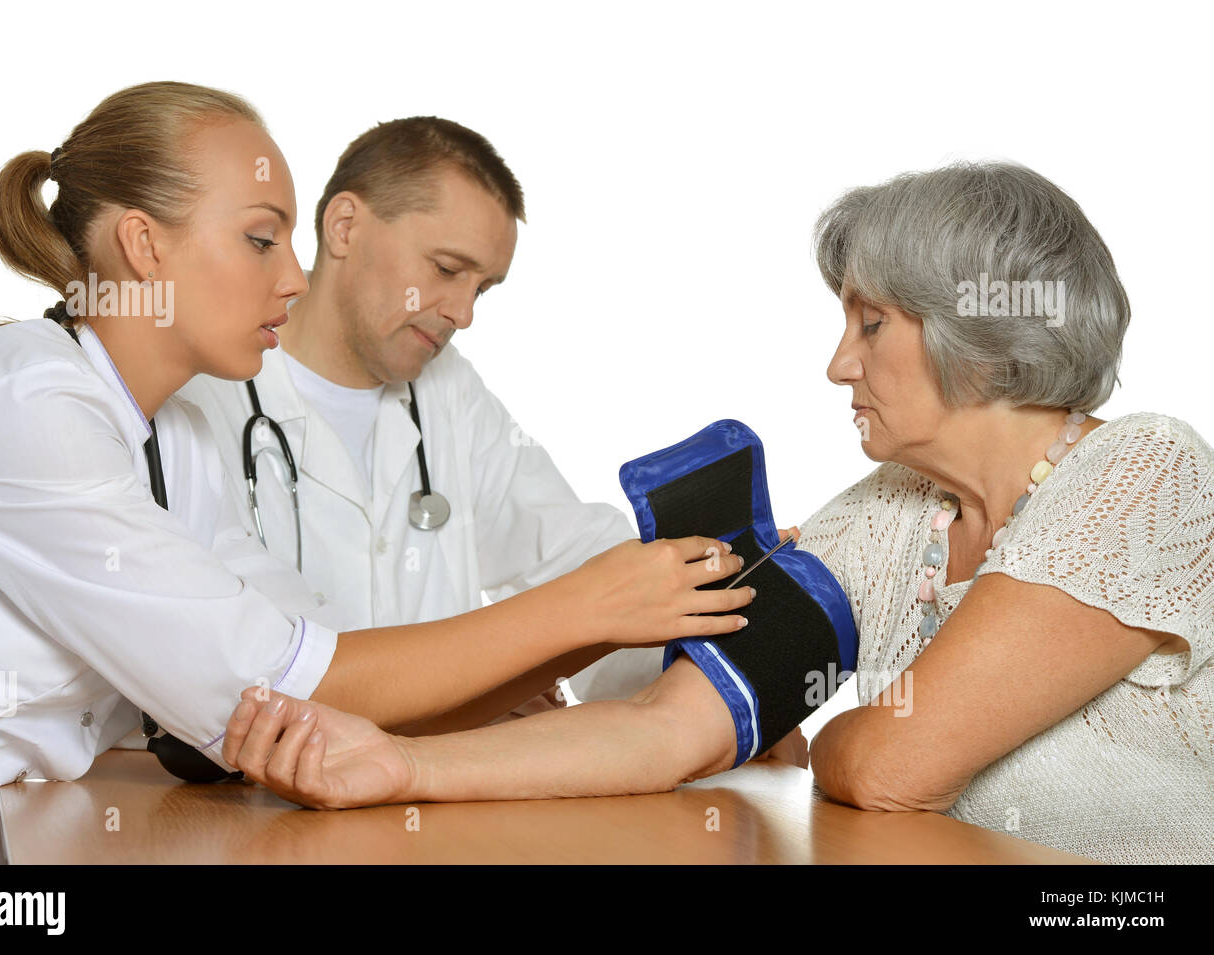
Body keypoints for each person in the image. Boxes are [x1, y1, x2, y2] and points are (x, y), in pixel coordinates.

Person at [224, 161, 1214, 865]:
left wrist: (830, 739)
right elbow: (667, 729)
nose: (838, 363)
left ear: (981, 327)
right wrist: (399, 765)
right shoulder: (894, 516)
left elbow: (893, 766)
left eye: (869, 323)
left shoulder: (1143, 470)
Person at [0, 81, 754, 864]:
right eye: (259, 238)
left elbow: (327, 691)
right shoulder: (26, 405)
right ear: (143, 242)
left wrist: (613, 621)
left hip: (22, 845)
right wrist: (590, 603)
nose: (291, 273)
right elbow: (287, 678)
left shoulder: (180, 440)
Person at [176, 117, 665, 725]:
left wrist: (703, 684)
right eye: (445, 269)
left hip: (420, 797)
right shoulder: (200, 393)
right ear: (345, 227)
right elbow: (246, 668)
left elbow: (570, 555)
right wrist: (489, 693)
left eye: (482, 288)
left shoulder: (447, 389)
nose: (462, 314)